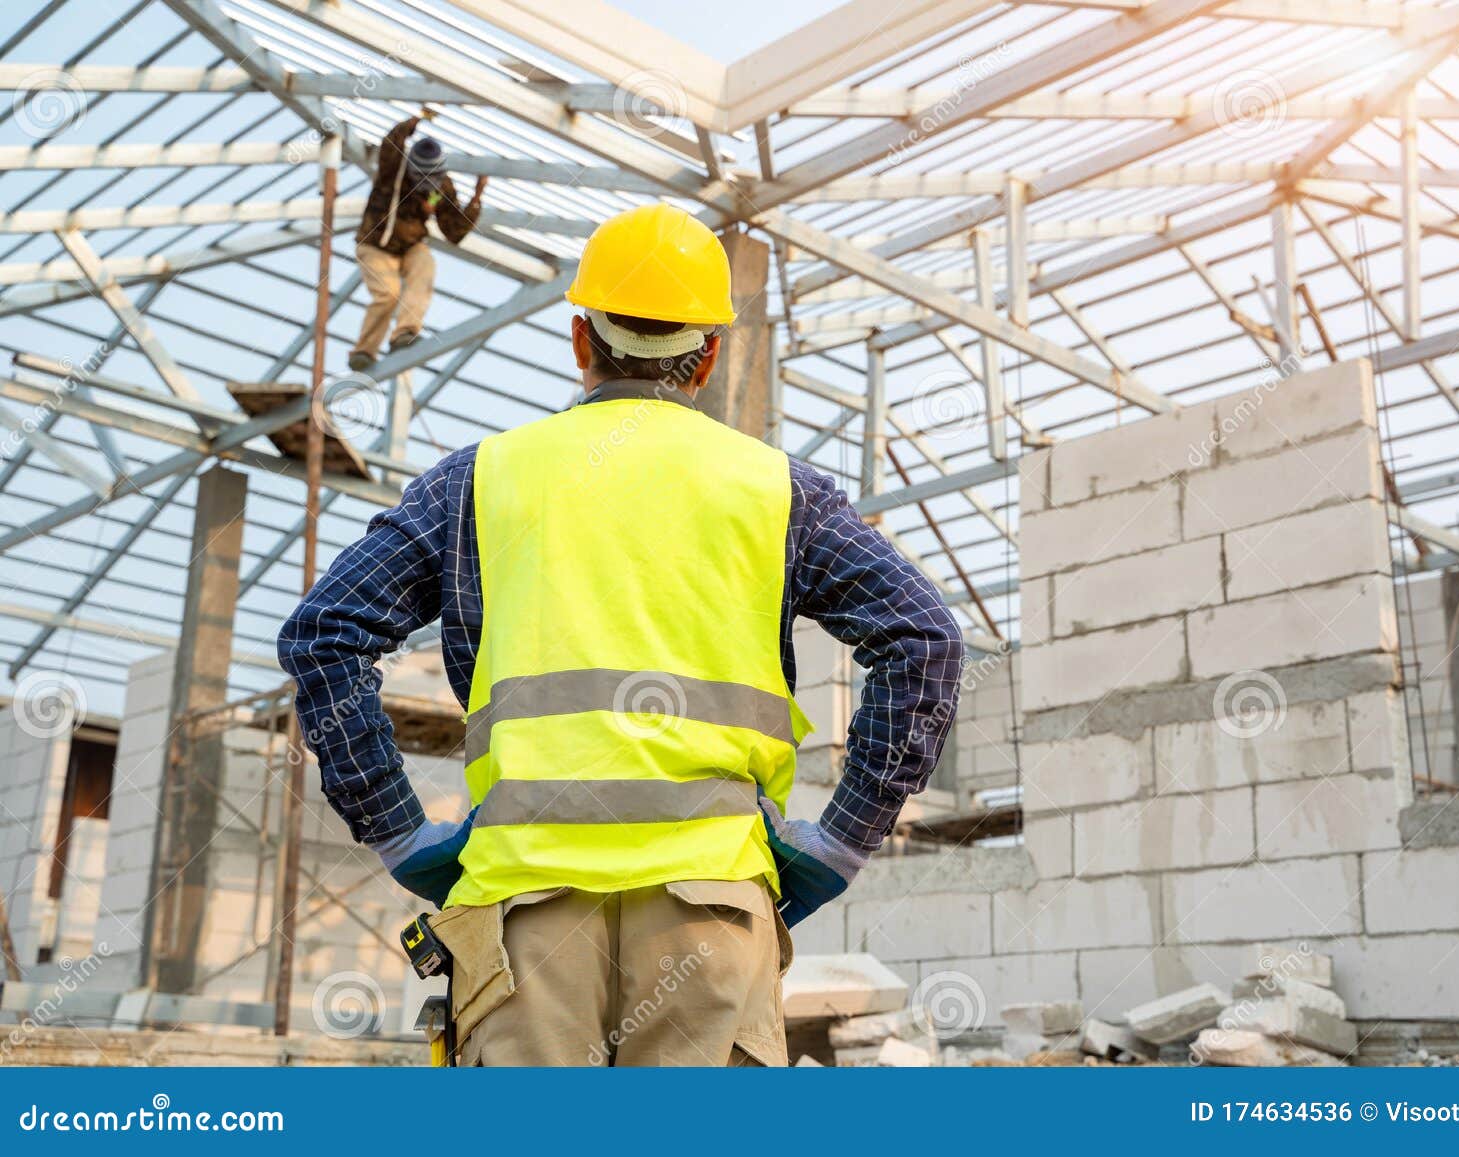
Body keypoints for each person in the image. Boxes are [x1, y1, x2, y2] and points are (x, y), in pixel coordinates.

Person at [278, 203, 964, 1066]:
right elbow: (925, 638)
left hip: (522, 917)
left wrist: (398, 829)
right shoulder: (779, 491)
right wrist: (843, 837)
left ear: (580, 340)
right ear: (709, 353)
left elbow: (323, 633)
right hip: (712, 916)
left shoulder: (479, 483)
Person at [348, 111, 485, 371]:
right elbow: (391, 143)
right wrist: (414, 121)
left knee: (425, 265)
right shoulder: (394, 169)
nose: (425, 185)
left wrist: (477, 198)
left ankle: (405, 332)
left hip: (410, 246)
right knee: (388, 294)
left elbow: (454, 232)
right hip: (375, 244)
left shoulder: (442, 186)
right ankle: (364, 351)